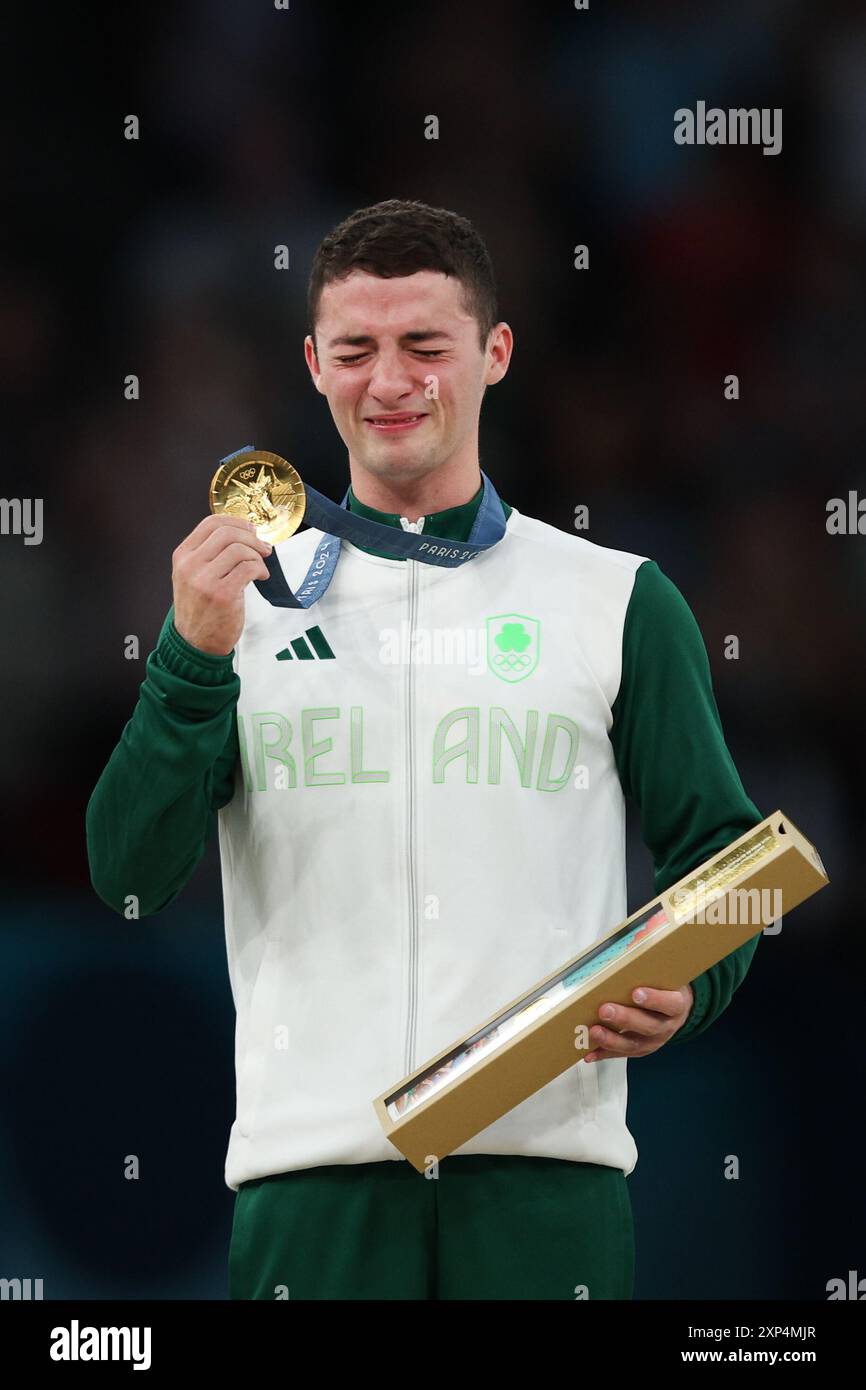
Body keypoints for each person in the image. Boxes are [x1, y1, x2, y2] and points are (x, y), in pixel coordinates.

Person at [86, 198, 764, 1300]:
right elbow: (125, 874)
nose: (389, 381)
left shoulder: (616, 598)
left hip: (547, 1186)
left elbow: (727, 857)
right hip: (310, 1187)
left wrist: (698, 979)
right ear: (313, 364)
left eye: (424, 346)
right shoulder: (233, 608)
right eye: (354, 349)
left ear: (494, 353)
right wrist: (188, 663)